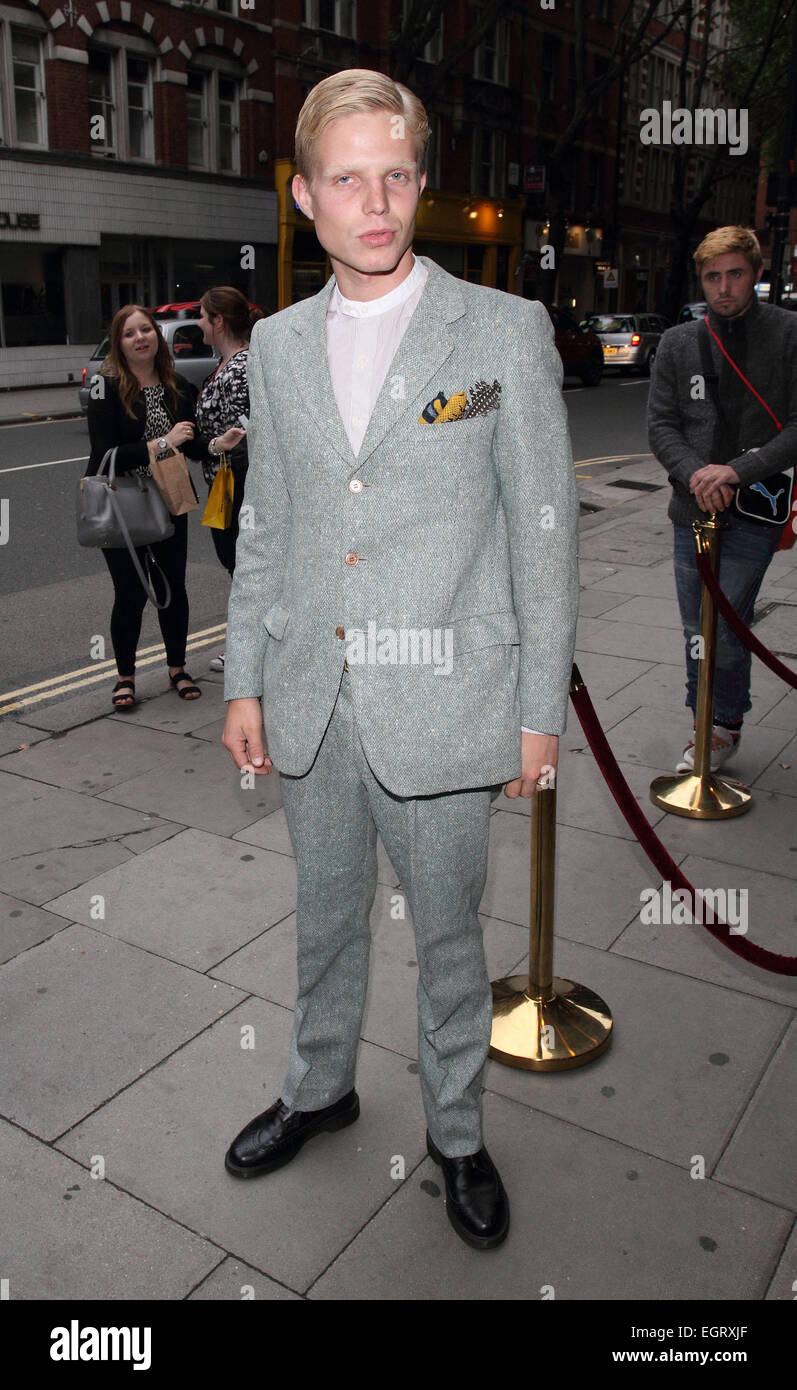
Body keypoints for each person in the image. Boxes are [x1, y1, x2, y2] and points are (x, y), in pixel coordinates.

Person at [220, 69, 579, 1250]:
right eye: (345, 179)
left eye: (394, 175)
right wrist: (242, 677)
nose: (372, 202)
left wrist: (537, 710)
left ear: (419, 184)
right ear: (304, 196)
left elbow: (542, 534)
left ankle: (457, 1134)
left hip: (447, 702)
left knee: (447, 940)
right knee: (323, 917)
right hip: (312, 698)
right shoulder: (277, 344)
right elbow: (269, 522)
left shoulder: (501, 331)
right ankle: (318, 1086)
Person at [648, 226, 797, 772]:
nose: (724, 287)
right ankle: (703, 721)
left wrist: (735, 471)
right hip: (691, 510)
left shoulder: (787, 334)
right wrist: (698, 475)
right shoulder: (678, 342)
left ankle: (723, 725)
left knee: (728, 622)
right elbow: (662, 425)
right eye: (713, 277)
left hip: (754, 509)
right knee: (696, 628)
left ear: (755, 273)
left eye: (735, 274)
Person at [86, 304, 243, 708]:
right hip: (122, 501)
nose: (139, 338)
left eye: (145, 330)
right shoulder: (106, 387)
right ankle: (125, 677)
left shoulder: (176, 385)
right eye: (129, 333)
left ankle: (177, 668)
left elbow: (190, 443)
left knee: (173, 587)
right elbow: (105, 454)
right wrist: (162, 443)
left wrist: (216, 444)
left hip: (170, 497)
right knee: (130, 591)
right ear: (119, 343)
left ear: (156, 336)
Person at [195, 288, 264, 672]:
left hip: (238, 487)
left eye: (203, 316)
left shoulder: (238, 368)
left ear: (218, 320)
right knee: (239, 570)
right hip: (225, 485)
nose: (199, 323)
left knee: (245, 571)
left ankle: (247, 654)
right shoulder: (227, 364)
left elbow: (250, 434)